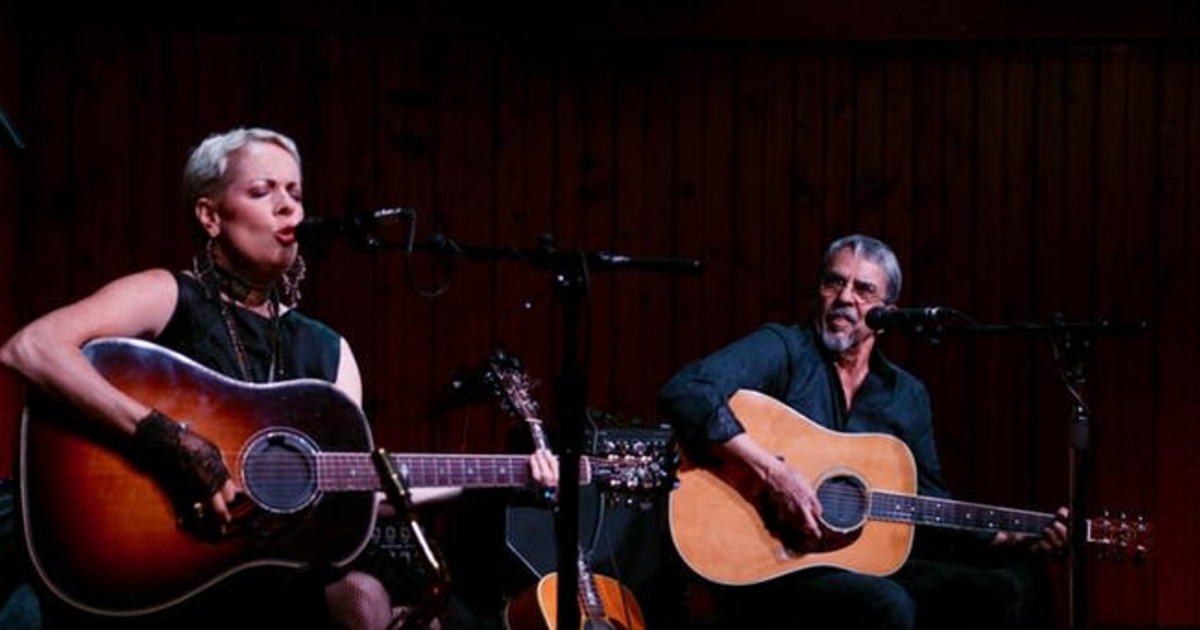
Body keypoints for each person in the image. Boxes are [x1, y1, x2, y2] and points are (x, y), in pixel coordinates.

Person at [0, 127, 557, 630]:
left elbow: (360, 487)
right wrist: (167, 438)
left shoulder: (326, 349)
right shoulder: (167, 296)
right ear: (210, 216)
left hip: (260, 579)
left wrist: (504, 478)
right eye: (263, 192)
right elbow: (32, 348)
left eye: (295, 193)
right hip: (141, 557)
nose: (288, 207)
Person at [659, 233, 1069, 630]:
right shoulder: (783, 349)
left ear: (888, 310)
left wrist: (1008, 536)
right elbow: (687, 391)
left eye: (863, 289)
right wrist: (774, 473)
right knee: (887, 604)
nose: (845, 298)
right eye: (834, 282)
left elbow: (928, 505)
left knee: (1010, 585)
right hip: (766, 562)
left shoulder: (904, 395)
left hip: (846, 565)